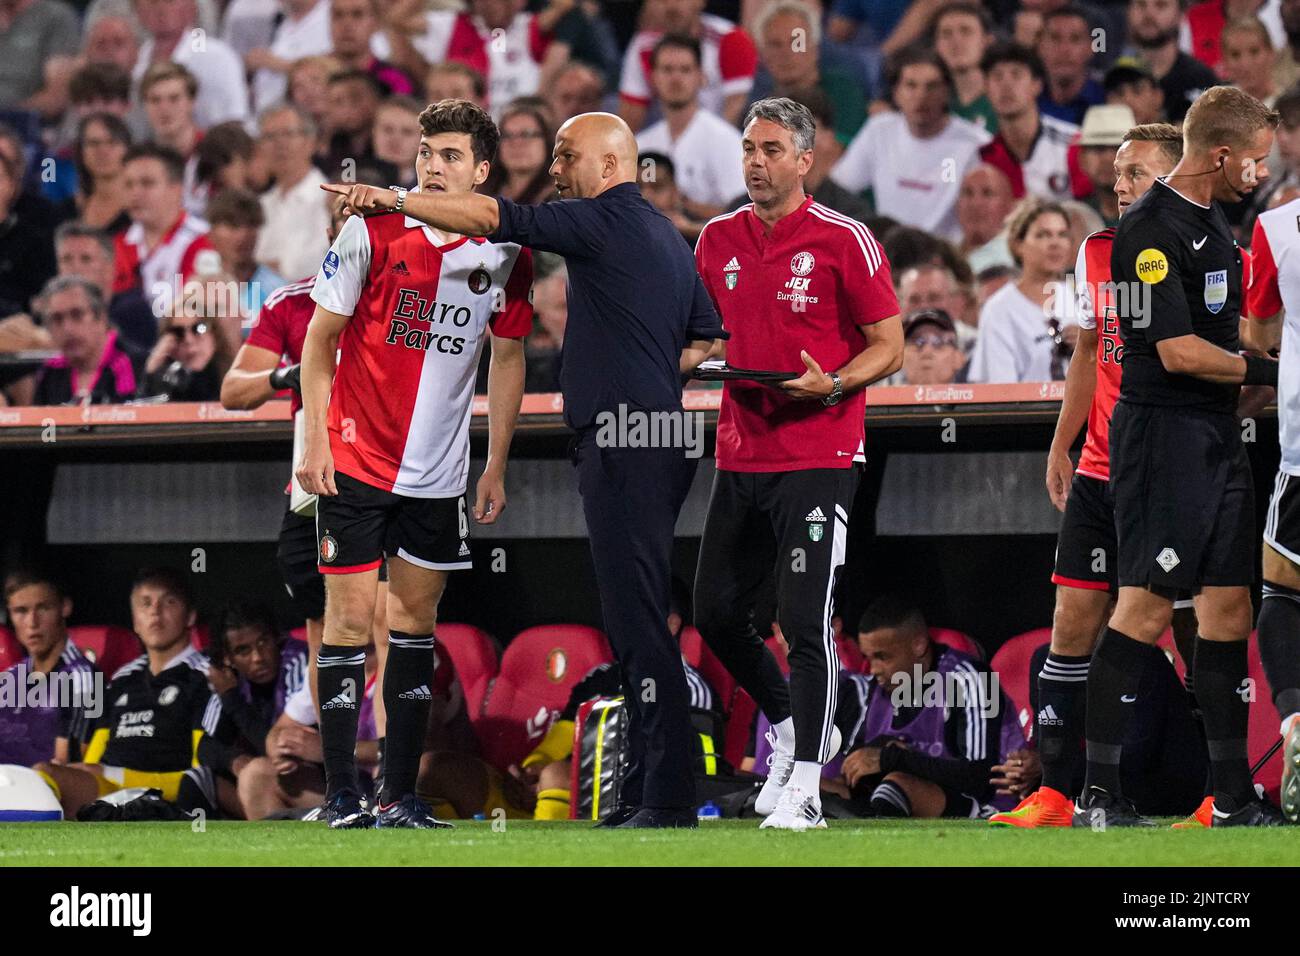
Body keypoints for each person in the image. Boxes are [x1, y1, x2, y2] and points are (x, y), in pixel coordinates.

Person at [319, 108, 728, 828]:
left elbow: (490, 216)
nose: (556, 171)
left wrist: (391, 197)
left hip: (625, 439)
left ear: (608, 166)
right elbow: (707, 337)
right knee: (633, 617)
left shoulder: (602, 219)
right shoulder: (666, 235)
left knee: (638, 623)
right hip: (653, 434)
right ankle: (645, 789)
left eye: (567, 157)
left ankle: (666, 797)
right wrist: (648, 375)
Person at [295, 99, 533, 829]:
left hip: (438, 473)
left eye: (451, 155)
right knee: (347, 619)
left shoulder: (505, 251)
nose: (433, 164)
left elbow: (510, 353)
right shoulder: (372, 229)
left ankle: (398, 794)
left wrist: (495, 465)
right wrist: (317, 441)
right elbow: (317, 343)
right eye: (428, 152)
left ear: (483, 170)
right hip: (358, 459)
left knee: (414, 624)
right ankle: (340, 795)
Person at [693, 97, 903, 831]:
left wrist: (838, 382)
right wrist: (682, 360)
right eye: (749, 148)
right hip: (740, 451)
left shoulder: (846, 239)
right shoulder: (716, 239)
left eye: (772, 149)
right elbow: (701, 334)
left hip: (820, 451)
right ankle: (790, 725)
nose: (755, 161)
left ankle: (808, 788)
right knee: (713, 610)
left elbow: (890, 343)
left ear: (806, 159)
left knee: (801, 617)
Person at [1080, 85, 1282, 827]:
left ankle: (1229, 796)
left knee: (1229, 610)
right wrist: (1278, 372)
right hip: (1161, 438)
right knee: (1144, 605)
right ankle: (1098, 794)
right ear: (1222, 153)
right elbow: (1179, 351)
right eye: (1255, 162)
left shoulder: (1219, 225)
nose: (1260, 175)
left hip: (1216, 438)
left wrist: (1268, 387)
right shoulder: (1150, 230)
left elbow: (1231, 350)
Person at [988, 121, 1200, 828]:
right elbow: (1087, 351)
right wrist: (1062, 444)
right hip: (1100, 469)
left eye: (1135, 173)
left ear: (1175, 176)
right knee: (1071, 625)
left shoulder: (1207, 251)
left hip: (1170, 472)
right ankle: (1061, 792)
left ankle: (1216, 796)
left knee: (1196, 629)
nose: (1118, 185)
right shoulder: (1096, 250)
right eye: (1116, 173)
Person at [32, 567, 222, 820]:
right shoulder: (121, 679)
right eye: (145, 603)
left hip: (166, 798)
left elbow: (202, 778)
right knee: (42, 775)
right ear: (134, 620)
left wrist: (114, 775)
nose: (155, 611)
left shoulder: (206, 676)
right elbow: (94, 760)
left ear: (190, 616)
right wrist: (84, 772)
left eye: (169, 602)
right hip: (111, 792)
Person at [824, 598, 1025, 818]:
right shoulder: (879, 687)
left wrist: (891, 758)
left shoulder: (970, 680)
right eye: (868, 657)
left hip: (988, 808)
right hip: (898, 797)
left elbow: (978, 778)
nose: (873, 669)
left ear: (918, 645)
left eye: (883, 657)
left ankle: (863, 824)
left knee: (896, 786)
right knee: (807, 789)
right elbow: (861, 763)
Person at [1241, 183, 1300, 824]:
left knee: (1283, 593)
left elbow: (1257, 333)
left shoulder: (1277, 227)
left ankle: (1295, 717)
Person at [832, 46, 989, 241]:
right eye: (911, 85)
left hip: (946, 257)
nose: (921, 96)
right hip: (887, 253)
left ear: (947, 92)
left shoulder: (977, 144)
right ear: (896, 92)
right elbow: (837, 190)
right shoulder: (880, 130)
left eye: (931, 86)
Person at [205, 602, 309, 800]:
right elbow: (204, 745)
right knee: (202, 778)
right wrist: (233, 760)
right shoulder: (228, 678)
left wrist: (232, 700)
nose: (258, 657)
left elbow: (282, 748)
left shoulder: (298, 661)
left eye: (263, 643)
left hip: (311, 775)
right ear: (228, 659)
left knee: (256, 772)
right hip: (262, 777)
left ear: (277, 638)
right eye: (243, 651)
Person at [636, 35, 745, 219]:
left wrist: (686, 209)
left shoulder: (725, 140)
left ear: (701, 77)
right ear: (653, 78)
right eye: (667, 70)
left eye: (685, 70)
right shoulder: (641, 143)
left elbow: (744, 214)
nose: (676, 78)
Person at [967, 198, 1076, 383]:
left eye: (1062, 235)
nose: (1055, 243)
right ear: (1018, 244)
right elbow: (1000, 387)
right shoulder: (999, 309)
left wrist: (1088, 347)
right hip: (1026, 411)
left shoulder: (1082, 299)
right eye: (1043, 235)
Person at [0, 570, 99, 766]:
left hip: (41, 793)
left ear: (65, 607)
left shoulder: (84, 680)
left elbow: (70, 769)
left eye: (43, 608)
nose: (32, 623)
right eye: (21, 611)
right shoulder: (8, 679)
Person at [617, 0, 757, 131]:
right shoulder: (643, 46)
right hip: (662, 139)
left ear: (700, 2)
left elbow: (735, 110)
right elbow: (631, 116)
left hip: (719, 137)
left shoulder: (731, 40)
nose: (672, 6)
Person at [112, 143, 218, 316]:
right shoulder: (118, 244)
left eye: (147, 183)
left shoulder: (205, 241)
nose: (135, 193)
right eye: (129, 185)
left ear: (176, 189)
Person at [748, 0, 867, 146]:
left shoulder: (843, 91)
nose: (786, 53)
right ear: (762, 54)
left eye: (797, 43)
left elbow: (849, 146)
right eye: (775, 44)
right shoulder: (758, 99)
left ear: (815, 48)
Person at [979, 41, 1087, 201]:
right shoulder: (982, 155)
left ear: (1037, 85)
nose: (1006, 86)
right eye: (997, 76)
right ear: (986, 88)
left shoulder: (1073, 143)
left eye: (1016, 75)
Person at [25, 276, 142, 406]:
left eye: (77, 315)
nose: (67, 328)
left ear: (101, 318)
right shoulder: (50, 372)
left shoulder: (135, 366)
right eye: (57, 319)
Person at [132, 0, 250, 128]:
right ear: (138, 11)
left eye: (169, 1)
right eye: (153, 2)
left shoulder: (213, 54)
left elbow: (235, 114)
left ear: (191, 8)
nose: (161, 9)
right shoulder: (140, 55)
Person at [254, 104, 331, 284]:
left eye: (288, 134)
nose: (280, 144)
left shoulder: (328, 201)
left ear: (310, 142)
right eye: (270, 137)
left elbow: (318, 268)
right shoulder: (260, 205)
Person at [54, 221, 157, 352]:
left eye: (86, 259)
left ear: (110, 269)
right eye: (66, 259)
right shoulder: (50, 311)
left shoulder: (133, 310)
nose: (75, 268)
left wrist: (48, 342)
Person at [1124, 0, 1218, 122]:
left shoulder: (1201, 80)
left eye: (1161, 5)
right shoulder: (1114, 80)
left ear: (1181, 15)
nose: (1148, 14)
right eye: (1141, 4)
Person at [138, 300, 237, 401]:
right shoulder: (168, 382)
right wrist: (151, 371)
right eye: (178, 332)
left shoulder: (237, 377)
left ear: (215, 334)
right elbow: (142, 410)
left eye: (198, 328)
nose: (189, 340)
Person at [62, 112, 132, 236]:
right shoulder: (65, 211)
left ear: (127, 150)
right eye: (93, 143)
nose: (103, 151)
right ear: (81, 152)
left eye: (112, 142)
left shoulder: (142, 207)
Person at [932, 1, 998, 131]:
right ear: (936, 47)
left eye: (966, 31)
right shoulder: (929, 106)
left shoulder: (1006, 100)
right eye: (946, 34)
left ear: (987, 42)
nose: (956, 41)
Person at [1036, 6, 1105, 126]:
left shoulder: (1108, 101)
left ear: (1090, 48)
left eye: (1075, 39)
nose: (1064, 49)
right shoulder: (1026, 102)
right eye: (1055, 38)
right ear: (1040, 47)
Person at [481, 99, 556, 204]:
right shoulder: (481, 193)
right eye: (507, 135)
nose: (516, 143)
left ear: (547, 141)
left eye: (526, 134)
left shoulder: (557, 198)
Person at [1076, 104, 1137, 226]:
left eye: (1118, 148)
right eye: (1099, 149)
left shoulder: (1159, 215)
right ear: (1082, 160)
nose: (1108, 159)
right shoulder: (1073, 220)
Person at [956, 162, 1016, 270]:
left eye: (988, 193)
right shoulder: (941, 253)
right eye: (968, 193)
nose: (975, 203)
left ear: (1010, 207)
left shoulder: (1015, 262)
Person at [896, 308, 968, 386]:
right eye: (917, 342)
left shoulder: (980, 396)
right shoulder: (883, 396)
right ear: (901, 358)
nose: (927, 352)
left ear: (959, 357)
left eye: (938, 342)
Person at [1103, 56, 1166, 125]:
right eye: (1119, 93)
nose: (1127, 99)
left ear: (1158, 96)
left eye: (1137, 90)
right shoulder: (1093, 132)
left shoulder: (1177, 134)